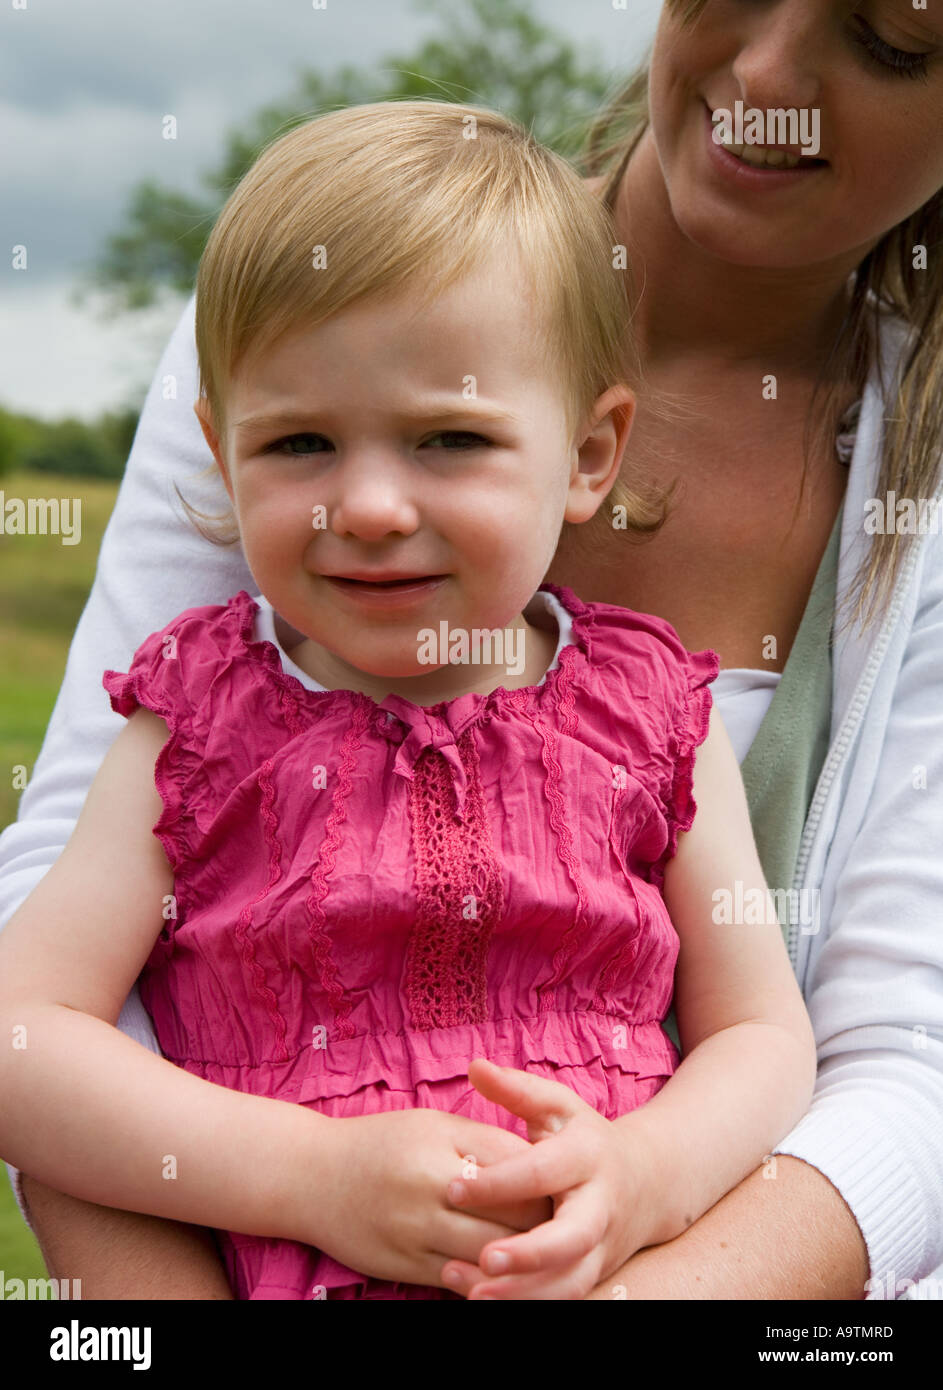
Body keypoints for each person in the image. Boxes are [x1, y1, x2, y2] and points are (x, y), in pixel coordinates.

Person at [2, 0, 943, 1301]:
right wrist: (303, 1177)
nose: (372, 505)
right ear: (220, 452)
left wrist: (650, 1175)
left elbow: (781, 1043)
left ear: (592, 455)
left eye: (448, 442)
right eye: (298, 447)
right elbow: (25, 1026)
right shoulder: (200, 717)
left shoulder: (646, 712)